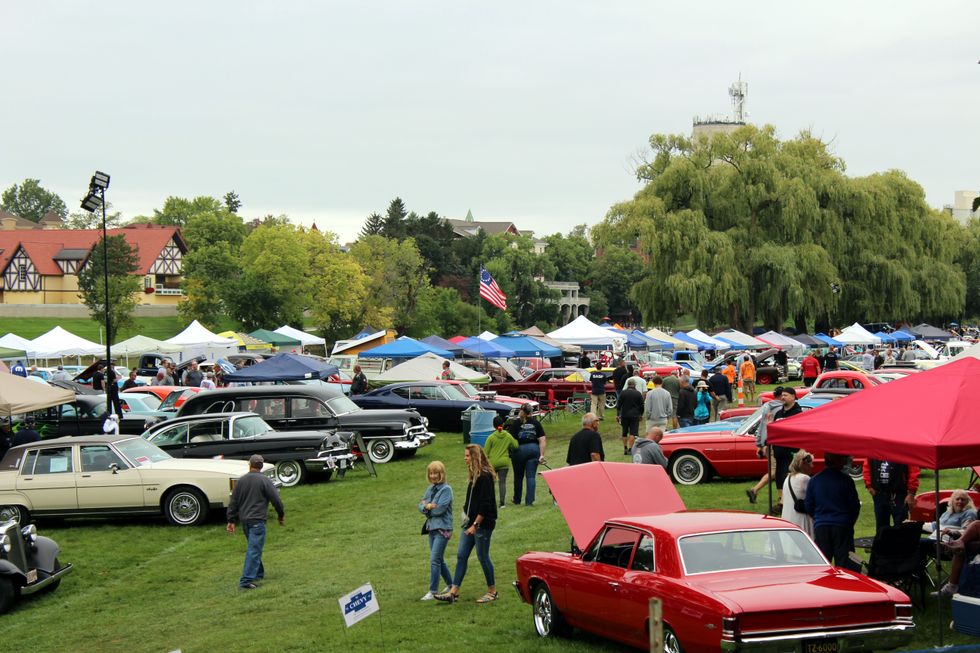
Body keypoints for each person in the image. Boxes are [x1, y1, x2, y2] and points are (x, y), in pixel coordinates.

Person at [435, 445, 497, 604]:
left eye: (468, 456)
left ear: (475, 457)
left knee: (483, 557)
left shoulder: (485, 476)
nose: (465, 458)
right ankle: (453, 591)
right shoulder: (474, 475)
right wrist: (465, 512)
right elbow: (473, 500)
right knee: (462, 555)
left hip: (482, 524)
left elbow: (486, 504)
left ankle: (492, 591)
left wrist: (475, 525)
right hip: (470, 523)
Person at [226, 454, 285, 590]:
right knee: (254, 550)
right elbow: (276, 499)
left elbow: (233, 502)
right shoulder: (265, 481)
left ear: (249, 465)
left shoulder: (241, 481)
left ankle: (258, 573)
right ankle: (246, 581)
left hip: (245, 521)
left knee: (254, 548)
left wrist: (231, 520)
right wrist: (280, 515)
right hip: (257, 521)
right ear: (261, 466)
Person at [804, 452, 861, 571]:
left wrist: (818, 518)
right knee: (845, 564)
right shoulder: (845, 480)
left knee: (823, 565)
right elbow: (854, 505)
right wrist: (849, 521)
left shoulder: (815, 480)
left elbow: (808, 504)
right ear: (838, 461)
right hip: (842, 525)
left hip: (822, 525)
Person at [418, 460, 453, 600]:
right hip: (432, 528)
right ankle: (451, 585)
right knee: (439, 559)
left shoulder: (446, 490)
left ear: (442, 474)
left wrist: (428, 507)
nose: (433, 476)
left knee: (434, 560)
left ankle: (433, 591)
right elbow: (420, 505)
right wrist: (427, 507)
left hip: (443, 529)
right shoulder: (430, 488)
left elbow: (440, 510)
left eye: (436, 473)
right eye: (431, 473)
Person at [745, 387, 785, 504]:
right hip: (774, 443)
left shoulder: (767, 406)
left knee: (777, 471)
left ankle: (780, 498)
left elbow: (762, 426)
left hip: (767, 443)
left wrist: (760, 444)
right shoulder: (781, 409)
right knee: (776, 471)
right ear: (781, 396)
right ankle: (755, 490)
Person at [863, 458, 919, 534]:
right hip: (880, 494)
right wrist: (869, 486)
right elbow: (867, 467)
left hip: (899, 494)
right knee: (881, 528)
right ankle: (882, 545)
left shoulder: (904, 449)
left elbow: (913, 470)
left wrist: (911, 493)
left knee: (901, 526)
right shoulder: (874, 449)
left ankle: (900, 545)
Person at [770, 388, 803, 512]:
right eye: (782, 395)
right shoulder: (779, 413)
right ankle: (781, 501)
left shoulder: (797, 413)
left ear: (793, 397)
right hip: (779, 451)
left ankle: (785, 503)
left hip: (791, 450)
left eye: (786, 395)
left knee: (787, 476)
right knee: (779, 477)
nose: (783, 397)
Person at [507, 404, 546, 506]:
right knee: (531, 476)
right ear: (531, 412)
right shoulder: (536, 423)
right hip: (534, 450)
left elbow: (510, 440)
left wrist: (510, 452)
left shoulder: (515, 423)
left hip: (519, 450)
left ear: (521, 411)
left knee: (518, 476)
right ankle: (529, 501)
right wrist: (541, 455)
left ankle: (517, 500)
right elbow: (542, 440)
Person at [936, 519, 980, 597]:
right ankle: (958, 543)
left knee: (976, 525)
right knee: (960, 548)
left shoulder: (969, 512)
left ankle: (952, 587)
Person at [484, 415, 518, 506]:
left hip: (492, 463)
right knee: (502, 482)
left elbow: (485, 452)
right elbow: (515, 446)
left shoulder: (491, 437)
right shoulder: (508, 435)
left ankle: (491, 502)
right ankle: (502, 503)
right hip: (504, 462)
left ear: (493, 426)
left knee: (491, 483)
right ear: (503, 424)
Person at [781, 450, 815, 538]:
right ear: (804, 464)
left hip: (788, 517)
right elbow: (815, 497)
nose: (812, 466)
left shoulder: (788, 478)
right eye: (810, 463)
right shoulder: (804, 478)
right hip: (801, 518)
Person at [617, 378, 644, 455]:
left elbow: (618, 405)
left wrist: (618, 415)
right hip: (635, 415)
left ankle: (625, 448)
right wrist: (641, 414)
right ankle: (630, 449)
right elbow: (641, 406)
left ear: (628, 385)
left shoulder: (623, 393)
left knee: (624, 432)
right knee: (633, 432)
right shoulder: (638, 393)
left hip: (624, 415)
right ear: (634, 385)